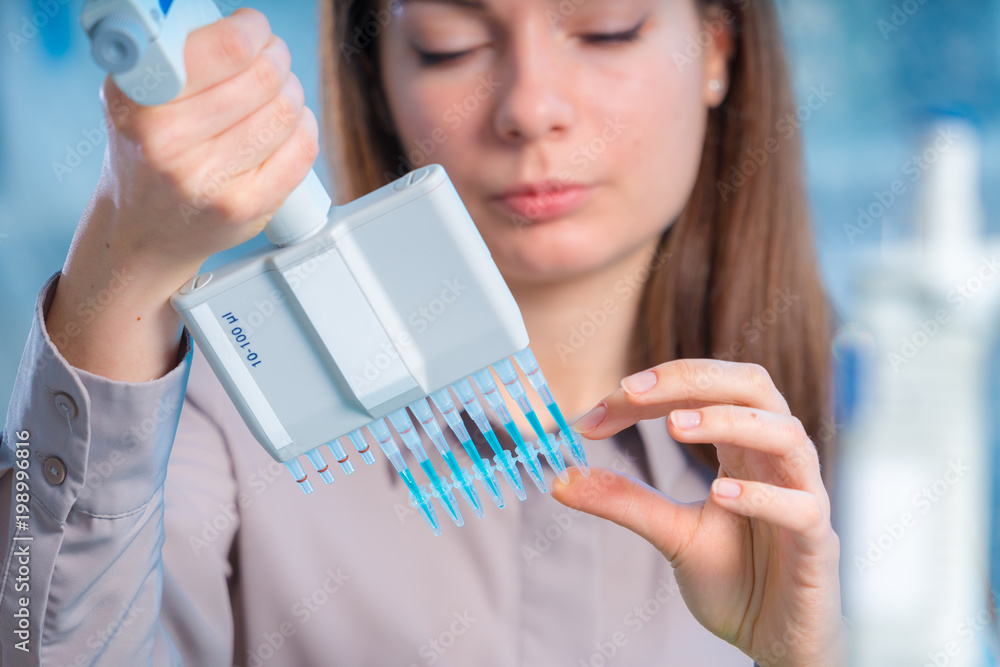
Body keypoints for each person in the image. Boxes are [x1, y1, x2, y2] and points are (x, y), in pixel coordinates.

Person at [1, 0, 846, 664]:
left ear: (718, 50)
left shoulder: (831, 429)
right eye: (448, 43)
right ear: (381, 78)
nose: (529, 107)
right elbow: (36, 640)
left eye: (605, 29)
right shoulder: (217, 421)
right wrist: (124, 257)